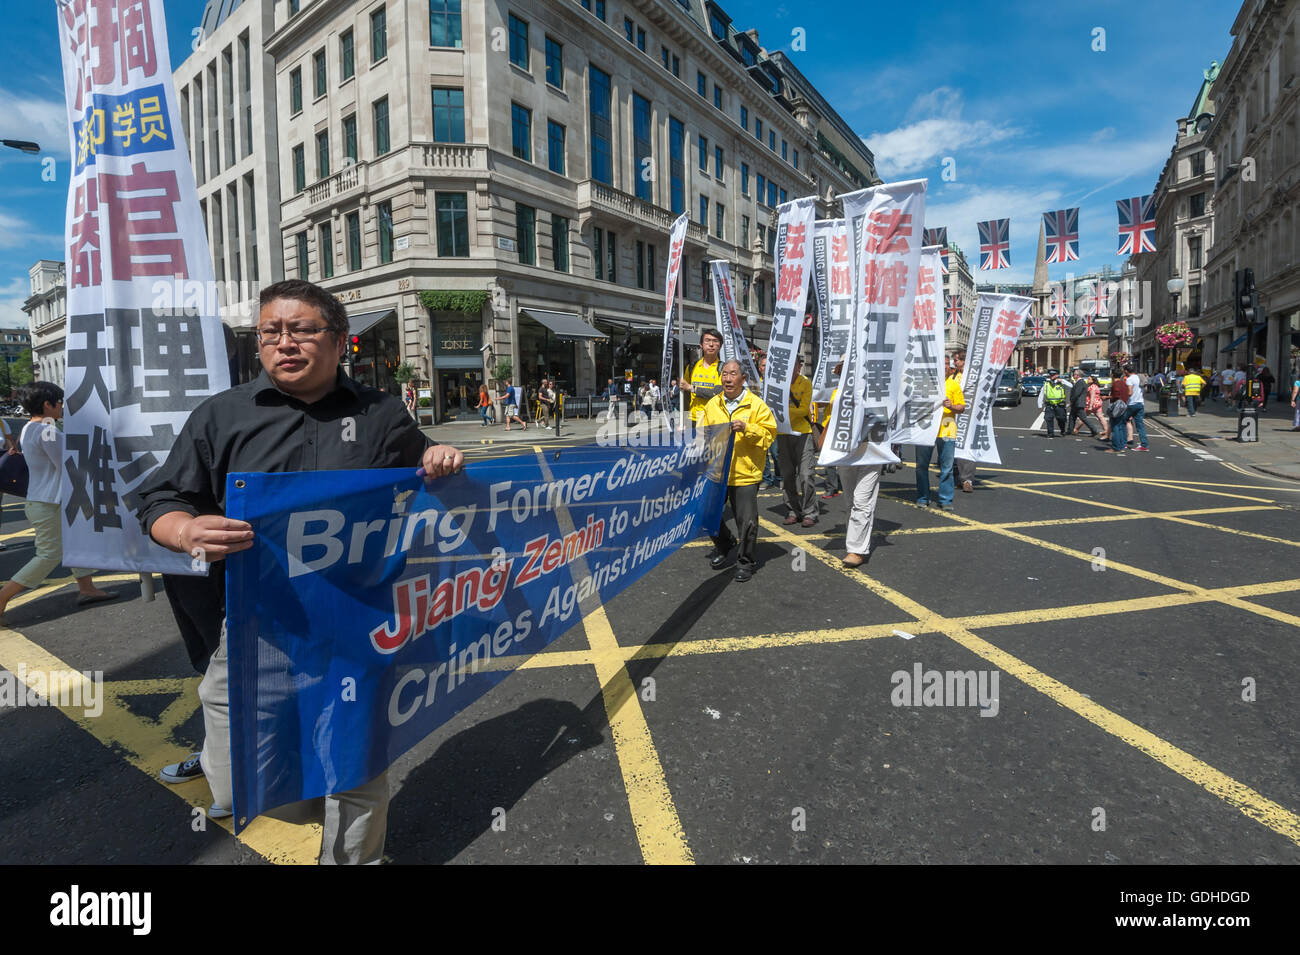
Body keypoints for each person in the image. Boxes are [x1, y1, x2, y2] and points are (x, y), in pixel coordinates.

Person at [137, 279, 464, 863]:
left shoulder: (381, 413)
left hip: (358, 625)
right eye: (271, 332)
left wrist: (436, 456)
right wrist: (186, 530)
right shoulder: (221, 416)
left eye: (303, 329)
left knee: (357, 766)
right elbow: (159, 501)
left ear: (340, 342)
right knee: (238, 774)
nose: (284, 342)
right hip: (257, 630)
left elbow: (423, 460)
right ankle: (305, 794)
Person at [0, 383, 118, 625]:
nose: (63, 406)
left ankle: (87, 587)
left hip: (49, 501)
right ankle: (3, 596)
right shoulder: (47, 430)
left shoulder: (30, 428)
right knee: (49, 555)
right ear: (47, 404)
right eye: (60, 401)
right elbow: (68, 465)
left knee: (77, 542)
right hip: (49, 503)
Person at [699, 360, 776, 583]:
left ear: (743, 379)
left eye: (733, 374)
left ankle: (745, 561)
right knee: (706, 514)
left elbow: (768, 436)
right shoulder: (712, 404)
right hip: (718, 472)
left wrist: (748, 428)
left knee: (747, 521)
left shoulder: (757, 405)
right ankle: (725, 544)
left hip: (745, 474)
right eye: (724, 374)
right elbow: (703, 436)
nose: (727, 378)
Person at [916, 351, 965, 510]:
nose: (944, 367)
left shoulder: (953, 384)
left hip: (947, 430)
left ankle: (945, 500)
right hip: (925, 430)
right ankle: (923, 497)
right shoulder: (924, 383)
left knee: (947, 468)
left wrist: (951, 406)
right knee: (921, 466)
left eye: (946, 364)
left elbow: (961, 407)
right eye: (941, 364)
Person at [776, 356, 817, 526]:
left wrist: (782, 414)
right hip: (783, 433)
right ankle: (792, 510)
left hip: (803, 433)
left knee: (806, 475)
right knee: (787, 475)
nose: (791, 368)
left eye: (794, 365)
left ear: (799, 367)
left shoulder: (806, 383)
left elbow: (802, 410)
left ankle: (810, 512)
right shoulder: (777, 383)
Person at [681, 328, 725, 426]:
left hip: (714, 420)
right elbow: (685, 395)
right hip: (693, 419)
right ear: (701, 345)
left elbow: (716, 393)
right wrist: (683, 420)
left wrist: (691, 388)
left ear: (720, 346)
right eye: (707, 340)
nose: (711, 344)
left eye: (715, 341)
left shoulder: (724, 369)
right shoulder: (691, 367)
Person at [1123, 363, 1149, 451]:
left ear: (1126, 371)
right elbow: (1145, 390)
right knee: (1140, 425)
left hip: (1132, 404)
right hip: (1140, 403)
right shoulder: (1140, 377)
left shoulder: (1129, 379)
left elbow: (1130, 393)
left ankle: (1122, 442)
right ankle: (1144, 445)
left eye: (1124, 371)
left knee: (1121, 421)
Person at [1105, 368, 1131, 453]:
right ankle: (1122, 446)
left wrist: (1106, 397)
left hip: (1117, 408)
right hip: (1124, 406)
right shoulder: (1124, 384)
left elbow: (1116, 395)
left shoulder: (1115, 384)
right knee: (1122, 426)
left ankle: (1115, 447)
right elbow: (1128, 394)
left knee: (1115, 427)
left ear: (1112, 375)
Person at [1067, 369, 1097, 437]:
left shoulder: (1080, 382)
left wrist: (1071, 401)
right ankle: (1070, 430)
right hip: (1077, 403)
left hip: (1078, 403)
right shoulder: (1079, 382)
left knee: (1083, 418)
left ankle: (1094, 430)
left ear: (1077, 375)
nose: (1073, 376)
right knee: (1072, 417)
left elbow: (1076, 393)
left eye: (1074, 374)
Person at [1041, 370, 1068, 437]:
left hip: (1059, 404)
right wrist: (1039, 404)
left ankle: (1062, 430)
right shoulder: (1047, 383)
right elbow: (1041, 394)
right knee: (1048, 419)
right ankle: (1050, 433)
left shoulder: (1062, 383)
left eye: (1053, 375)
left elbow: (1071, 386)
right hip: (1049, 404)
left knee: (1061, 419)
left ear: (1057, 375)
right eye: (1051, 375)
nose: (1052, 376)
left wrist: (1062, 381)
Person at [1086, 375, 1106, 440]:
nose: (1087, 380)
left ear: (1092, 380)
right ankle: (1106, 430)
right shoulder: (1096, 386)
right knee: (1101, 417)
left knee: (1083, 417)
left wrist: (1090, 406)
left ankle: (1076, 429)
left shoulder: (1092, 387)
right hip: (1098, 403)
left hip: (1092, 404)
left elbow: (1092, 397)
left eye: (1089, 379)